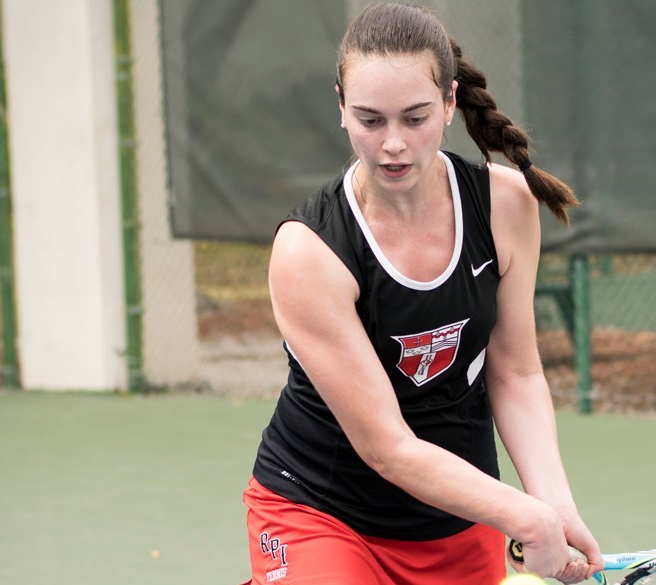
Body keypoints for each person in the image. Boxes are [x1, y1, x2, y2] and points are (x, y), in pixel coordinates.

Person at [241, 3, 602, 584]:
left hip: (457, 519)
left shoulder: (505, 205)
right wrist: (527, 519)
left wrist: (554, 502)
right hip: (320, 513)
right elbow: (387, 447)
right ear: (340, 106)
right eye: (369, 119)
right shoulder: (309, 250)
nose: (393, 144)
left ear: (451, 102)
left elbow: (515, 372)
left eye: (415, 118)